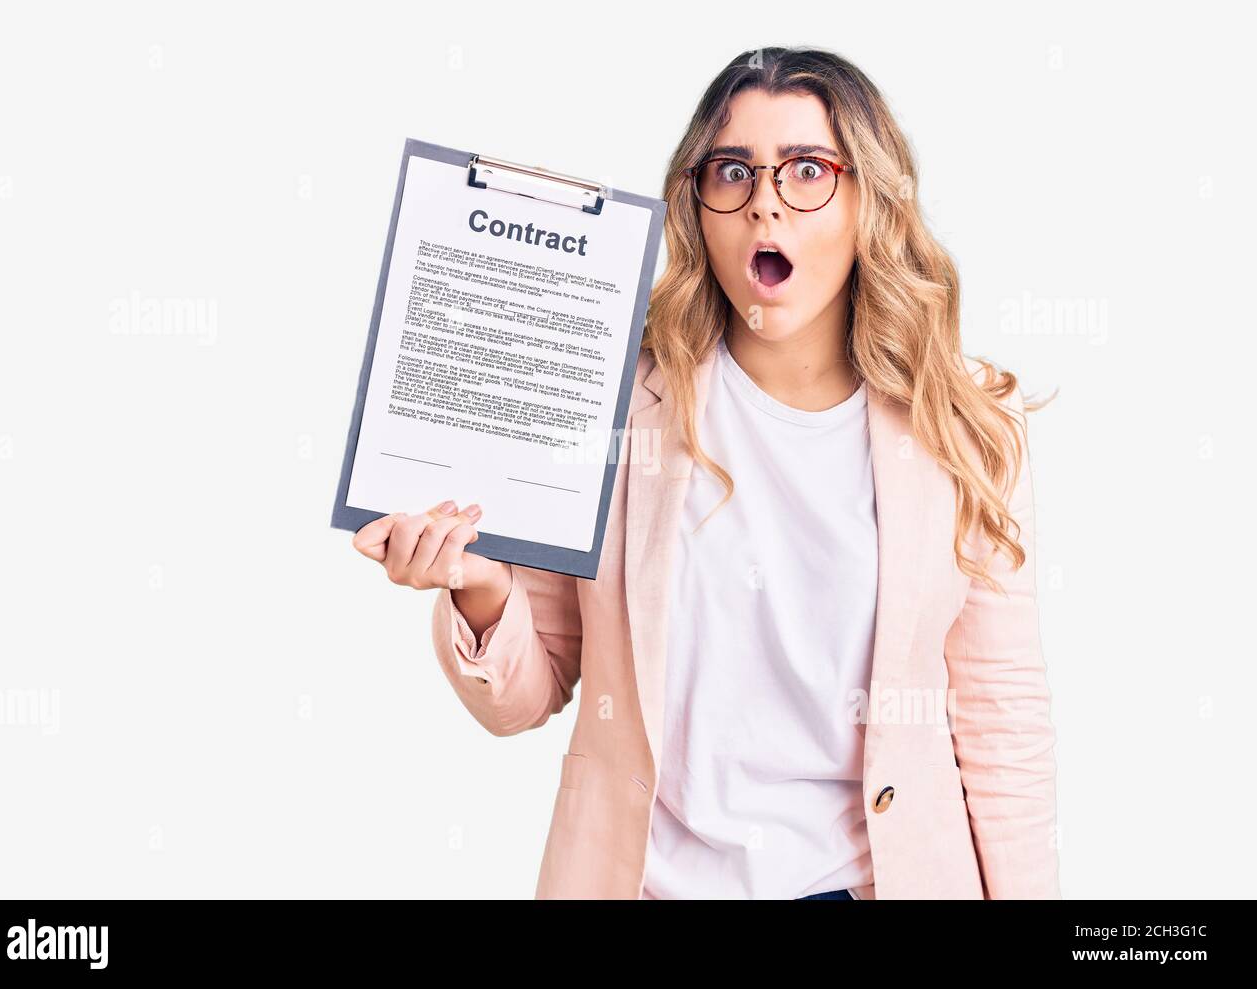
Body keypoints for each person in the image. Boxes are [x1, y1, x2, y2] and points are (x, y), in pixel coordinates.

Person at [353, 46, 1060, 900]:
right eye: (733, 172)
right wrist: (477, 587)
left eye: (807, 169)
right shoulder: (612, 406)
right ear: (698, 205)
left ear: (868, 198)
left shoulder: (965, 422)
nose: (766, 201)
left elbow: (1001, 720)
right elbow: (524, 695)